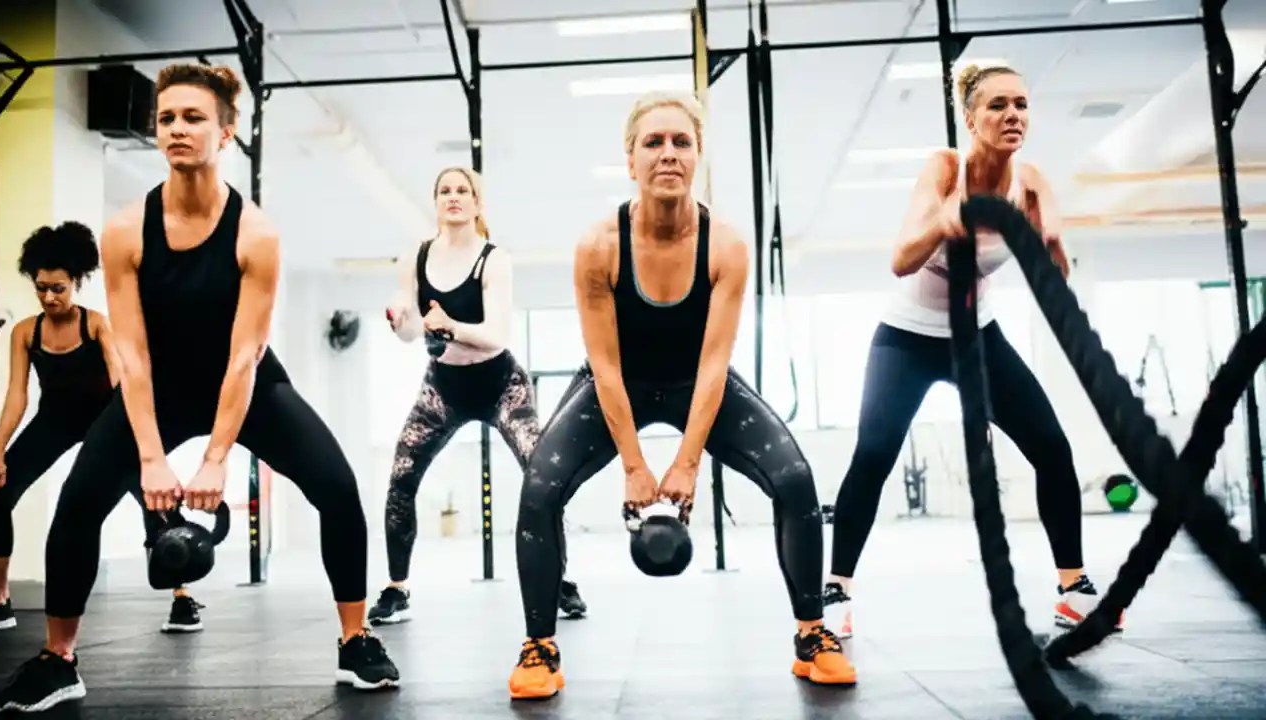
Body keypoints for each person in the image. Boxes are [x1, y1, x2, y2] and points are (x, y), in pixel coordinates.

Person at [0, 63, 399, 714]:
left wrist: (215, 458)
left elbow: (244, 356)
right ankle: (58, 658)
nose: (177, 129)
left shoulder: (255, 234)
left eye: (194, 117)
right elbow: (134, 352)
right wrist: (152, 458)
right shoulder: (127, 230)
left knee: (337, 488)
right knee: (78, 504)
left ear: (228, 131)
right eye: (166, 118)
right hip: (161, 386)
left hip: (248, 385)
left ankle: (356, 638)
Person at [505, 91, 856, 701]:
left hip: (699, 382)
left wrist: (688, 463)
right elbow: (606, 369)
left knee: (795, 480)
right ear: (630, 159)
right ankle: (540, 645)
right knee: (539, 488)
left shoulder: (725, 246)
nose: (668, 154)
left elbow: (715, 362)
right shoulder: (599, 246)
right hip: (617, 383)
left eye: (681, 142)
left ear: (698, 157)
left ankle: (811, 635)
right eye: (653, 142)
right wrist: (636, 467)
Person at [823, 63, 1122, 636]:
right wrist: (944, 220)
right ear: (970, 117)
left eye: (1021, 105)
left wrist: (1053, 247)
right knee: (875, 454)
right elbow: (901, 259)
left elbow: (1054, 258)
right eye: (998, 105)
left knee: (1052, 449)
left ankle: (1073, 587)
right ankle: (835, 591)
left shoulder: (1029, 181)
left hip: (977, 337)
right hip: (907, 337)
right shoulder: (944, 170)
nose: (1013, 115)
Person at [369, 166, 588, 625]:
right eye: (445, 190)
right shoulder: (416, 256)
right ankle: (397, 588)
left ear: (476, 203)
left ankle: (560, 580)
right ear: (436, 202)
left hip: (500, 386)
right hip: (442, 389)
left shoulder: (494, 259)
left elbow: (496, 336)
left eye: (462, 190)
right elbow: (412, 333)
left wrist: (450, 325)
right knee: (400, 480)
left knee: (543, 477)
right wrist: (400, 320)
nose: (453, 197)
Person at [0, 223, 204, 636]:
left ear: (78, 282)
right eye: (42, 287)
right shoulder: (25, 333)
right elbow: (18, 396)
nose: (50, 297)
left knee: (155, 502)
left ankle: (181, 597)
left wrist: (146, 451)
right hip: (56, 419)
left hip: (107, 420)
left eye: (59, 288)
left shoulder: (97, 325)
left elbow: (124, 385)